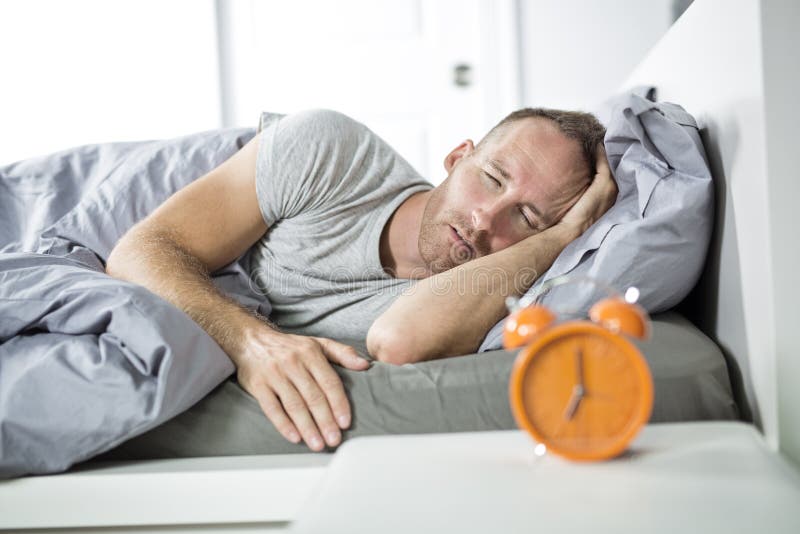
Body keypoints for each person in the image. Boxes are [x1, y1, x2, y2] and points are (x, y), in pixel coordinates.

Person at [106, 107, 617, 453]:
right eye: (490, 178)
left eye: (526, 218)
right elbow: (139, 251)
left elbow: (398, 342)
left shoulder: (487, 290)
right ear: (458, 157)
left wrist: (567, 232)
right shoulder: (330, 151)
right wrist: (252, 343)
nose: (486, 221)